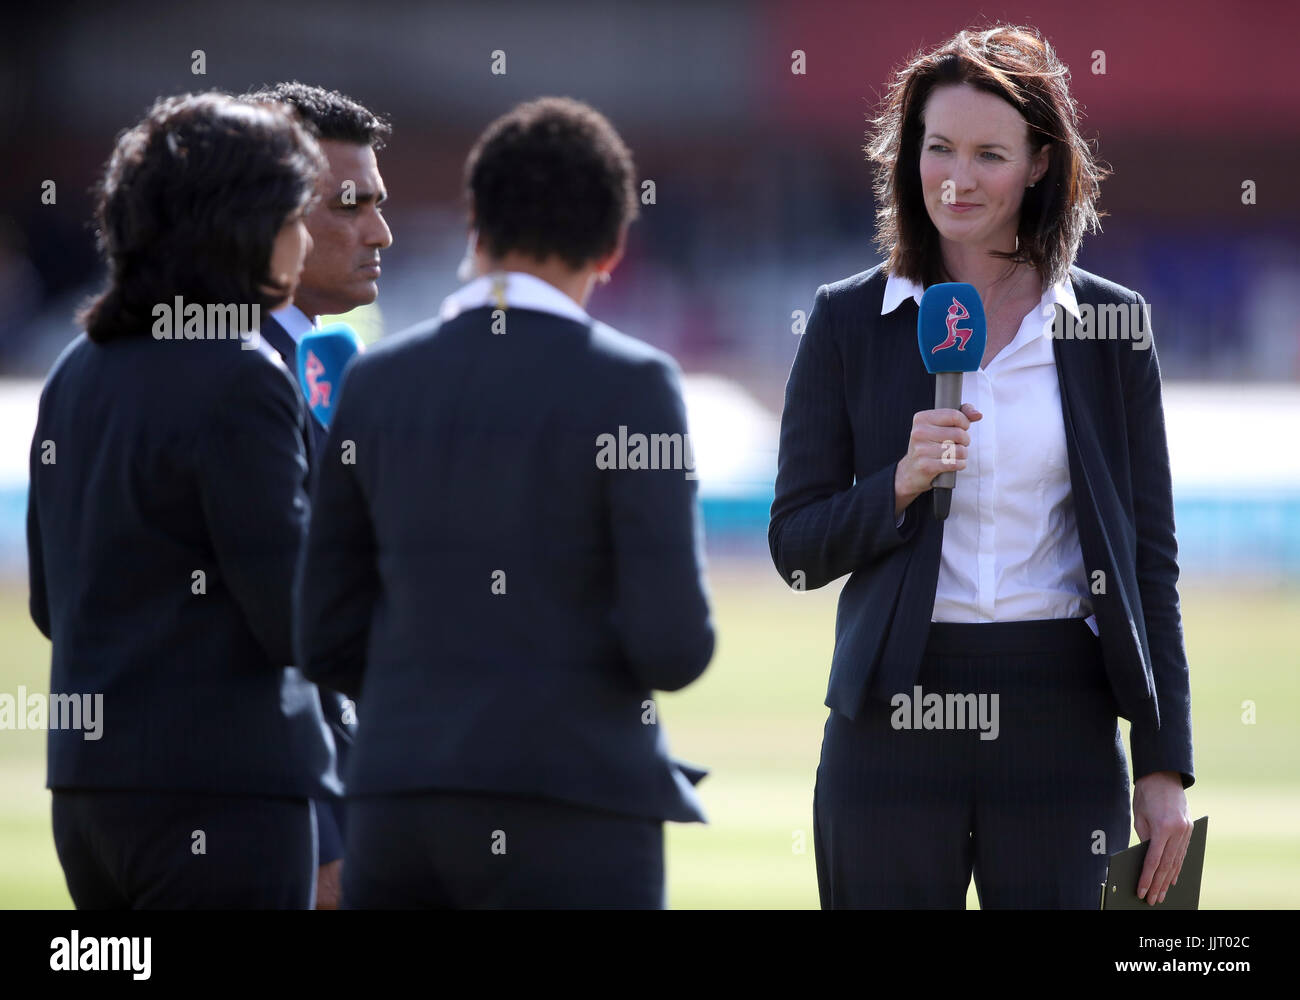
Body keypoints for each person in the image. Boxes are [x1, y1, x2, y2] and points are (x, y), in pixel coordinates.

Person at [768, 24, 1195, 909]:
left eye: (990, 154)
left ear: (1040, 163)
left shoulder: (1111, 325)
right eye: (938, 148)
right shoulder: (846, 319)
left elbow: (1149, 557)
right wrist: (896, 483)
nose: (956, 179)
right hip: (891, 718)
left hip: (1061, 722)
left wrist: (1164, 764)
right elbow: (796, 548)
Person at [295, 96, 714, 908]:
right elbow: (673, 643)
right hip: (576, 804)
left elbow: (323, 634)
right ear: (614, 245)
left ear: (474, 225)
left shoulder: (376, 383)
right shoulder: (631, 386)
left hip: (400, 804)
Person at [27, 92, 339, 908]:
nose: (304, 241)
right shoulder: (241, 373)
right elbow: (296, 615)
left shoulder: (75, 372)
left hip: (89, 798)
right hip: (224, 801)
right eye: (294, 216)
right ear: (244, 224)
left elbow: (48, 604)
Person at [241, 81, 393, 910]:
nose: (381, 232)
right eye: (349, 205)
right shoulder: (238, 375)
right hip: (273, 806)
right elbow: (287, 622)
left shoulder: (312, 362)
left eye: (377, 202)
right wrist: (328, 831)